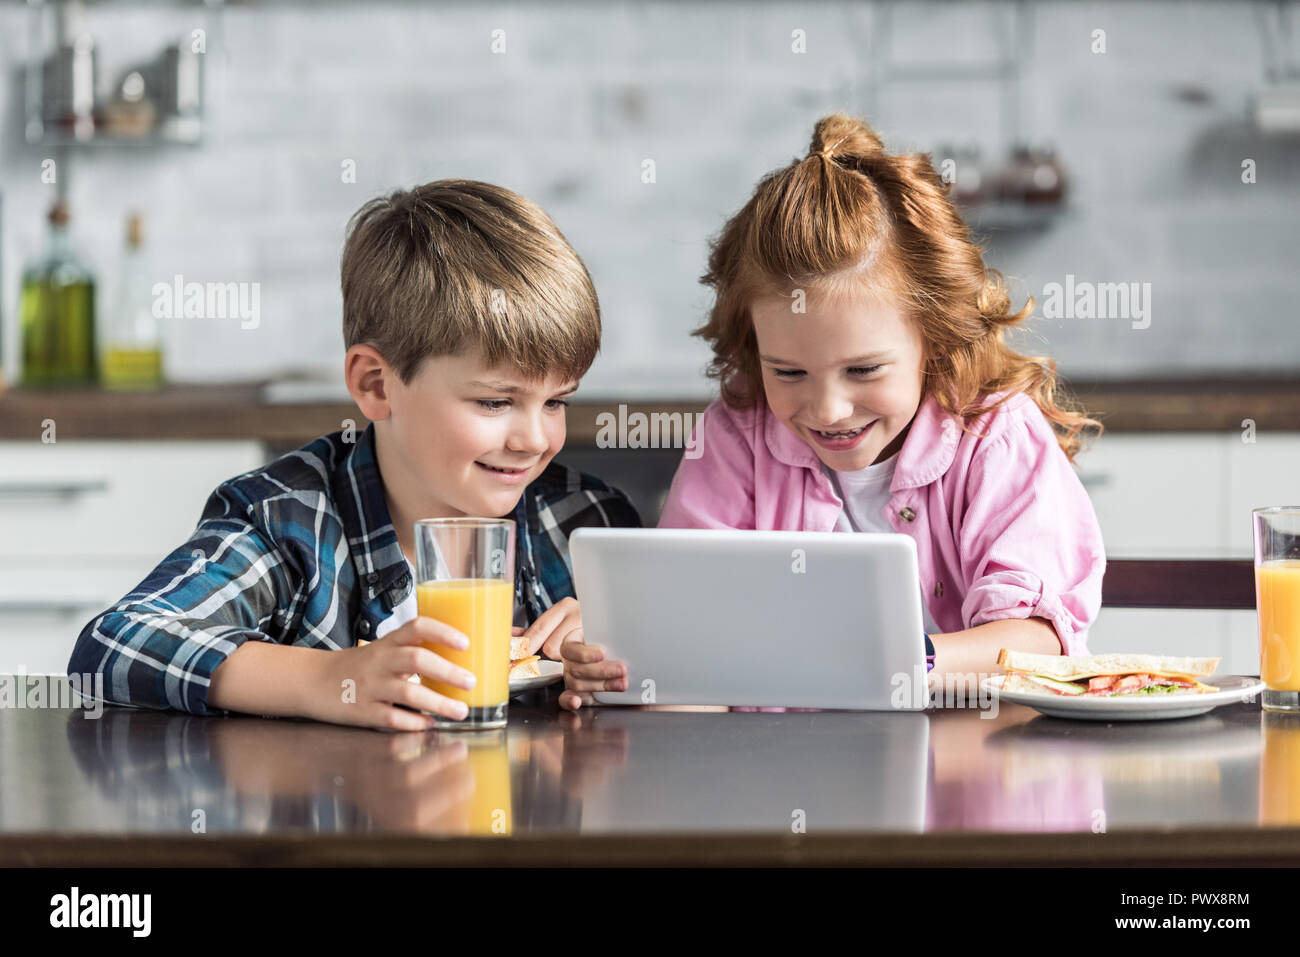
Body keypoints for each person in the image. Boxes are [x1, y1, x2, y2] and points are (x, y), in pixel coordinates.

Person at [559, 114, 1106, 712]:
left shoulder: (996, 437)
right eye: (787, 372)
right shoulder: (735, 437)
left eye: (864, 370)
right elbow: (691, 645)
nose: (827, 409)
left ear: (936, 335)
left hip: (967, 778)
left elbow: (1037, 646)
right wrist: (634, 675)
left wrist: (895, 659)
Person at [69, 179, 640, 730]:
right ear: (375, 384)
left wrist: (626, 652)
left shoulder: (586, 521)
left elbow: (692, 688)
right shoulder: (288, 523)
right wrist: (326, 679)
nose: (535, 440)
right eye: (495, 402)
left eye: (556, 402)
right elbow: (115, 644)